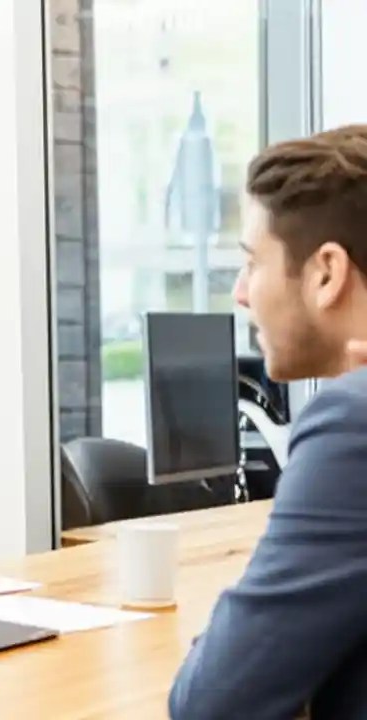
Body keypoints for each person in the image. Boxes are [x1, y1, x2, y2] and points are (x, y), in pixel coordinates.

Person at [168, 124, 367, 719]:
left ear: (325, 272)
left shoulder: (351, 425)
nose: (240, 293)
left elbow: (214, 704)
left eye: (252, 262)